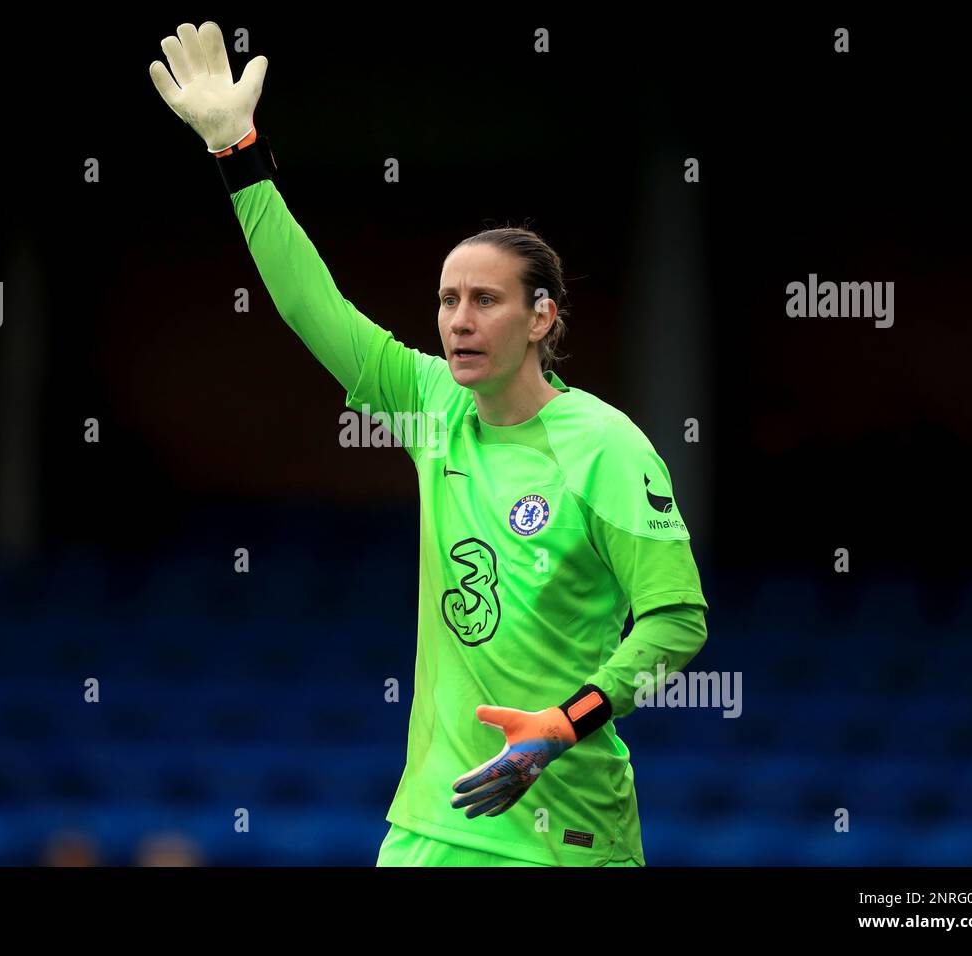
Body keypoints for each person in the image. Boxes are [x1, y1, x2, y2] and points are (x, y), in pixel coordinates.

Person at [149, 22, 709, 867]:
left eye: (485, 300)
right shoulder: (432, 403)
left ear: (542, 317)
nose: (458, 319)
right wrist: (237, 151)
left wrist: (566, 723)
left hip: (568, 829)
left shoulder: (605, 446)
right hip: (432, 822)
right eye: (448, 299)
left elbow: (678, 622)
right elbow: (312, 307)